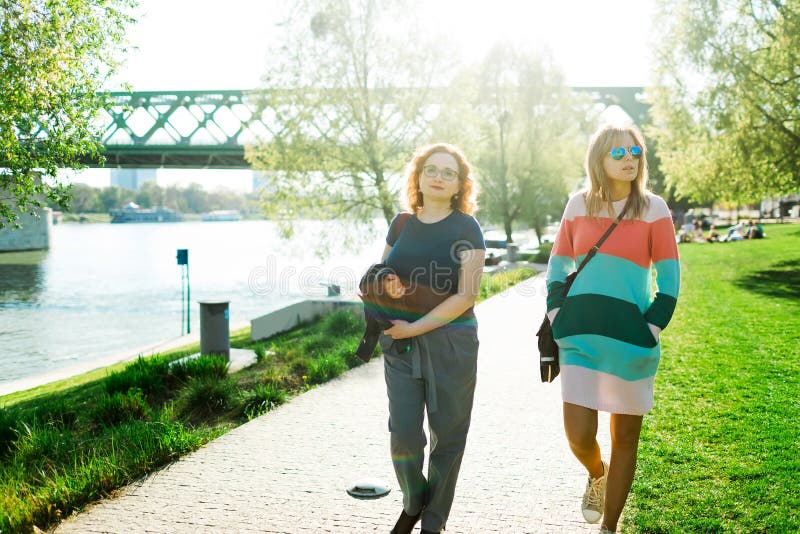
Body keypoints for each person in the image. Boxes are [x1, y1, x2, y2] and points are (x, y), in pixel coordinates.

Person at [545, 124, 680, 533]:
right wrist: (556, 314)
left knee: (626, 441)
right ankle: (596, 473)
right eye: (618, 153)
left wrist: (650, 330)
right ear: (599, 159)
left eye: (635, 151)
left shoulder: (654, 209)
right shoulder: (577, 204)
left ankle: (610, 527)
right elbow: (558, 262)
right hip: (580, 339)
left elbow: (670, 281)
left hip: (630, 343)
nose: (629, 159)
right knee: (579, 436)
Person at [378, 142, 485, 534]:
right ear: (419, 177)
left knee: (449, 438)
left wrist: (415, 326)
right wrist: (384, 283)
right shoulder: (401, 223)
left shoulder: (466, 227)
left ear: (459, 184)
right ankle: (413, 500)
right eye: (432, 170)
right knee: (403, 434)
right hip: (401, 346)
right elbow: (379, 272)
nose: (439, 177)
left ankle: (432, 523)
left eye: (449, 172)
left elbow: (466, 294)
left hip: (452, 345)